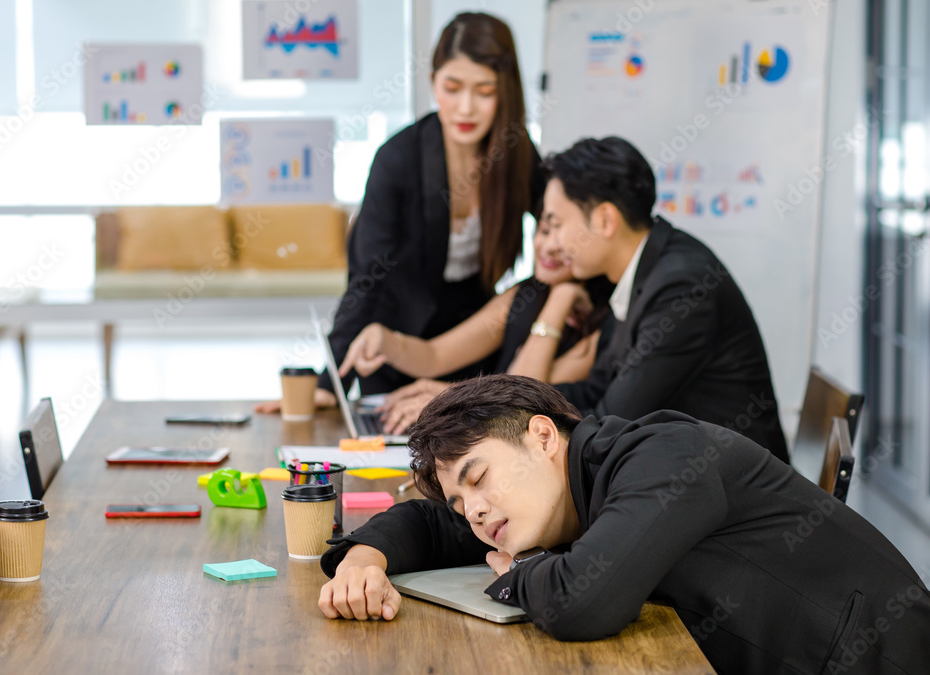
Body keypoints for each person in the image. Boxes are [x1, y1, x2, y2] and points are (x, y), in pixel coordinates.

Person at [317, 375, 930, 675]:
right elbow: (429, 524)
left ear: (542, 436)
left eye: (477, 479)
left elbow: (585, 602)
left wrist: (521, 573)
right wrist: (364, 560)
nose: (473, 511)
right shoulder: (554, 493)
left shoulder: (664, 456)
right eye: (461, 503)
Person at [255, 12, 545, 415]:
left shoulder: (517, 153)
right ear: (433, 82)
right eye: (452, 88)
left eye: (484, 91)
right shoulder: (398, 158)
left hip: (473, 346)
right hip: (393, 346)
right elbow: (367, 276)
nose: (465, 108)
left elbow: (559, 230)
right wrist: (330, 383)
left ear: (507, 91)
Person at [538, 136, 788, 461]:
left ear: (604, 220)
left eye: (556, 224)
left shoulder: (681, 284)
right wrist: (519, 410)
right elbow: (596, 389)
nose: (554, 243)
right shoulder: (648, 269)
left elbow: (611, 426)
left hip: (736, 482)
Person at [336, 217, 613, 433]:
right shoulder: (526, 294)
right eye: (544, 230)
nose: (548, 246)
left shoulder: (602, 324)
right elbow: (435, 355)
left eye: (561, 234)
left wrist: (561, 299)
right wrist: (384, 339)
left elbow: (525, 397)